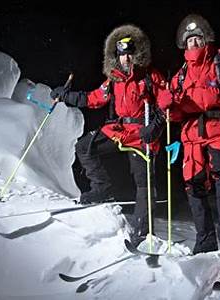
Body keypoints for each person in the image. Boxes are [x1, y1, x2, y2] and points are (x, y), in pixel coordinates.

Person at [50, 24, 171, 245]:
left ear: (137, 53)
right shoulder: (114, 79)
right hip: (119, 129)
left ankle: (142, 232)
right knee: (85, 146)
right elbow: (94, 98)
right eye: (122, 54)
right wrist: (66, 96)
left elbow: (167, 102)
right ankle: (101, 188)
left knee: (143, 181)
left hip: (142, 133)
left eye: (129, 53)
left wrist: (155, 125)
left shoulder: (149, 76)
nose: (126, 58)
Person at [169, 14, 220, 256]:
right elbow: (173, 114)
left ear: (206, 39)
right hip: (191, 135)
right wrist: (168, 106)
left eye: (197, 39)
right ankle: (205, 242)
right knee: (194, 186)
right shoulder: (181, 75)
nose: (193, 45)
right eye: (189, 42)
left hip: (219, 131)